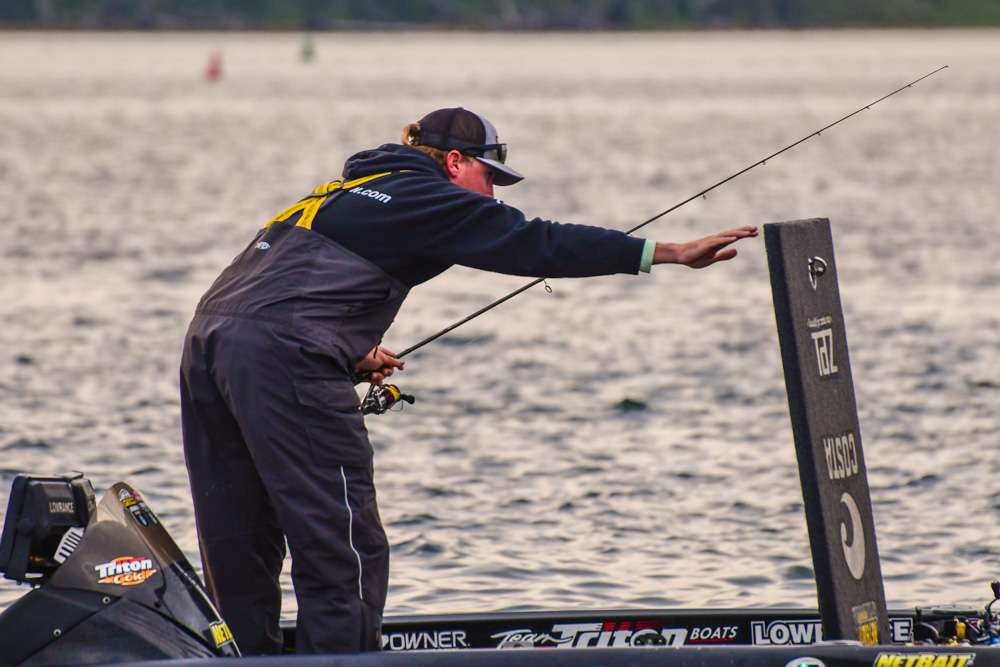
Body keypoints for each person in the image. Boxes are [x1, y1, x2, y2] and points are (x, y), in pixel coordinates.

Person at [179, 107, 757, 655]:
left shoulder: (343, 190)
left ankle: (241, 660)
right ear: (454, 161)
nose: (493, 195)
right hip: (280, 353)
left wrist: (347, 352)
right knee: (345, 545)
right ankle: (340, 663)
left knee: (239, 539)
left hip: (209, 345)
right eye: (490, 176)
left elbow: (278, 294)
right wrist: (668, 251)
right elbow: (539, 241)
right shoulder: (426, 192)